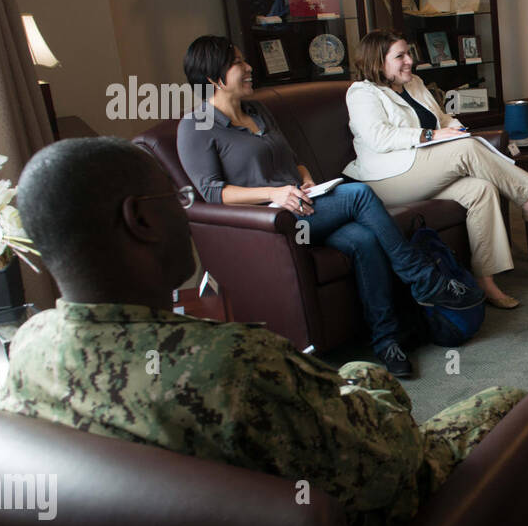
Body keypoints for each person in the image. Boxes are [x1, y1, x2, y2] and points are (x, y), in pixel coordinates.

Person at [0, 136, 527, 526]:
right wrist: (374, 387)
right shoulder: (232, 363)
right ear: (140, 219)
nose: (189, 215)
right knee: (514, 404)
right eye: (177, 201)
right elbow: (396, 462)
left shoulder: (26, 351)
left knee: (362, 330)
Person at [175, 35, 483, 378]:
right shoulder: (196, 126)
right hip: (273, 220)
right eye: (237, 64)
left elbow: (294, 161)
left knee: (364, 242)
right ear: (212, 78)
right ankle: (422, 278)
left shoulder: (258, 111)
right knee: (360, 194)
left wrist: (304, 177)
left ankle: (386, 341)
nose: (248, 68)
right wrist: (274, 194)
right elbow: (211, 193)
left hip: (308, 205)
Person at [343, 29, 528, 309]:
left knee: (482, 189)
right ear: (378, 62)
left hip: (424, 167)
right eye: (400, 56)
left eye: (409, 54)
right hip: (387, 178)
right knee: (466, 150)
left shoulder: (414, 83)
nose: (409, 61)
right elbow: (378, 137)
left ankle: (485, 281)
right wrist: (431, 136)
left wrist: (457, 130)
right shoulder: (362, 93)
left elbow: (441, 118)